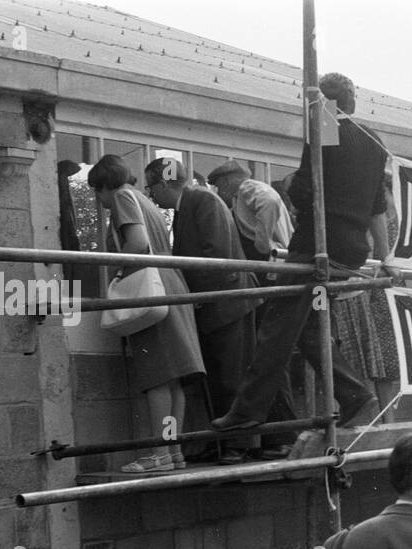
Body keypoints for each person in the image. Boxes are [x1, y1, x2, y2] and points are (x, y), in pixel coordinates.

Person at [213, 72, 383, 433]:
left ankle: (247, 411)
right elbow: (377, 206)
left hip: (317, 244)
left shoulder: (322, 125)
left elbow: (307, 189)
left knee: (276, 325)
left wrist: (294, 190)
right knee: (305, 327)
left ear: (320, 102)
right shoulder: (373, 138)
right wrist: (387, 258)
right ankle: (355, 396)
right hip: (352, 248)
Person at [88, 154, 205, 473]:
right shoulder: (145, 199)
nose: (100, 202)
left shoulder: (123, 195)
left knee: (156, 378)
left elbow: (138, 243)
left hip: (150, 290)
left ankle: (157, 454)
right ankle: (172, 450)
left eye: (97, 193)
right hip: (171, 284)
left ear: (104, 186)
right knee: (174, 377)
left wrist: (115, 268)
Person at [144, 156, 256, 463]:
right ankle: (225, 442)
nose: (150, 195)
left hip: (226, 303)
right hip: (215, 304)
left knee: (230, 376)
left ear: (164, 183)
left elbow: (216, 255)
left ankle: (237, 445)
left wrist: (192, 294)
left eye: (151, 187)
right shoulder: (190, 205)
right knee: (219, 378)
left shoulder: (202, 200)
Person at [206, 160, 293, 263]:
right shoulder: (239, 199)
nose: (218, 193)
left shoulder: (247, 187)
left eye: (218, 187)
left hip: (270, 261)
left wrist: (262, 244)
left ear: (226, 182)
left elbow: (270, 201)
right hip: (269, 261)